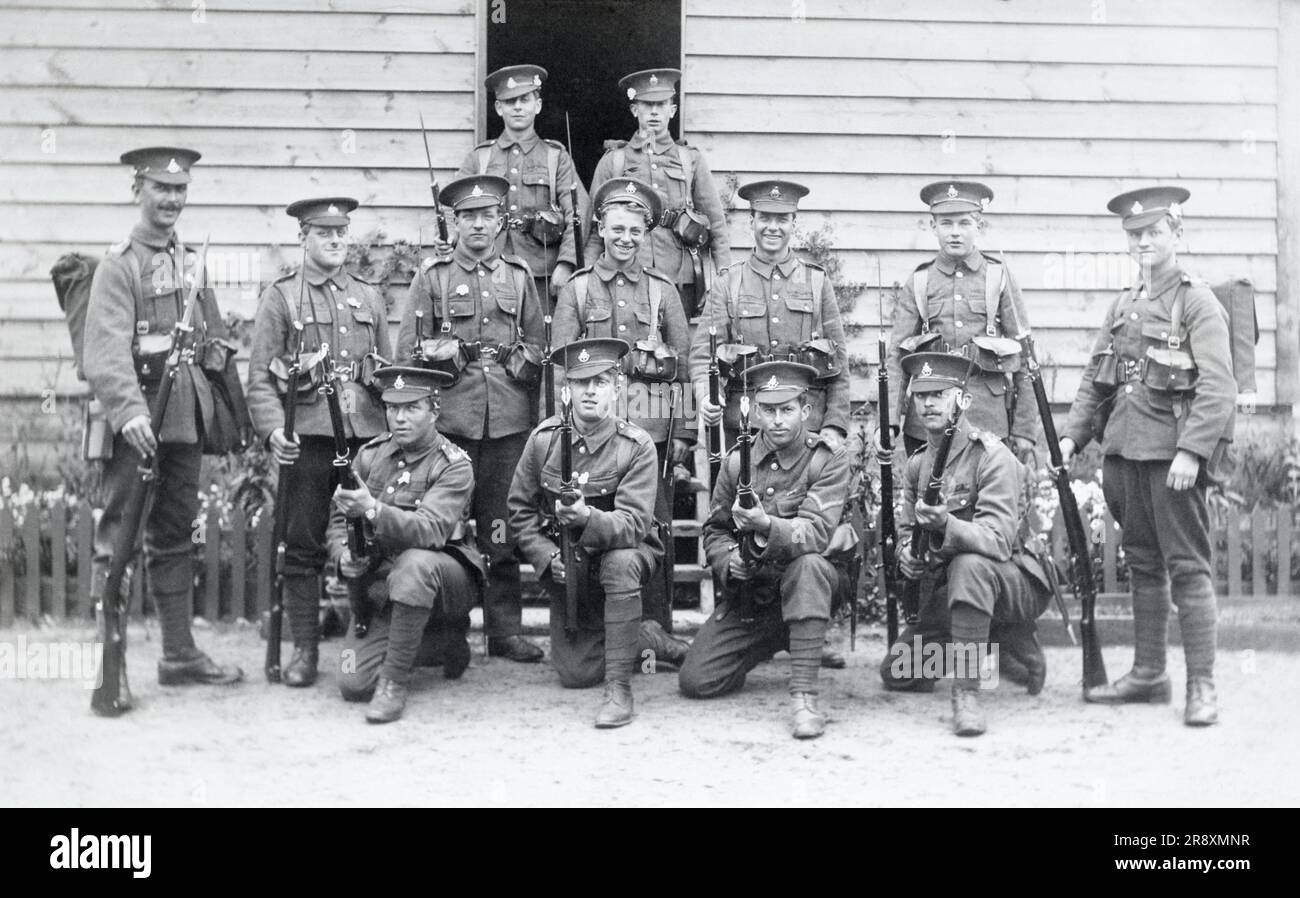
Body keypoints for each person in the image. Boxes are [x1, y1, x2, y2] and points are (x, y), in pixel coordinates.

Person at [1061, 186, 1235, 727]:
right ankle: (1149, 673)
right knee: (1142, 563)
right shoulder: (1123, 302)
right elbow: (1097, 378)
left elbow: (1219, 387)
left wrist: (1192, 452)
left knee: (1187, 566)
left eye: (1153, 232)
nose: (1143, 241)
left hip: (1172, 460)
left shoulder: (1195, 301)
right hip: (1124, 454)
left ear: (1176, 234)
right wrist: (1072, 437)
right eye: (1134, 234)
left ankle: (1202, 686)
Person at [82, 146, 243, 691]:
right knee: (119, 541)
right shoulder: (119, 264)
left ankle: (178, 655)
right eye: (161, 188)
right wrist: (128, 413)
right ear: (138, 190)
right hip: (137, 425)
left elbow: (213, 337)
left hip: (183, 422)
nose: (172, 198)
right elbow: (103, 353)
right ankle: (111, 668)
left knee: (174, 534)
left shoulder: (191, 262)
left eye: (180, 190)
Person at [691, 179, 852, 669]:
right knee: (741, 522)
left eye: (782, 220)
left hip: (807, 429)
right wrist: (705, 396)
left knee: (815, 531)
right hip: (751, 429)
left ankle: (814, 625)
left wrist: (837, 431)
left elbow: (839, 367)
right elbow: (703, 354)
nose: (773, 228)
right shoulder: (729, 283)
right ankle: (743, 611)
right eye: (765, 219)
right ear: (752, 223)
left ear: (793, 224)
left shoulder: (816, 283)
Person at [396, 174, 546, 663]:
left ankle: (503, 631)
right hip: (451, 424)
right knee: (447, 532)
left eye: (486, 216)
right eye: (468, 217)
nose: (478, 225)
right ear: (454, 223)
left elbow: (538, 351)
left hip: (506, 421)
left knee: (500, 529)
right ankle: (449, 630)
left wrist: (537, 421)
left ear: (501, 221)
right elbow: (406, 356)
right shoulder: (433, 277)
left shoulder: (519, 277)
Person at [246, 197, 392, 687]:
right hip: (307, 435)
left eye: (341, 233)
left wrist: (391, 434)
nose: (334, 241)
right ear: (303, 237)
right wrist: (272, 431)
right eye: (324, 233)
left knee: (365, 536)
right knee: (303, 543)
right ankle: (305, 651)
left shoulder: (369, 296)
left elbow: (387, 375)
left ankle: (365, 633)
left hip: (364, 436)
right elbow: (259, 380)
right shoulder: (282, 298)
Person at [553, 177, 692, 665]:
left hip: (650, 435)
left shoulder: (663, 292)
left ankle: (653, 631)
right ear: (601, 228)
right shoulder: (577, 289)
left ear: (647, 232)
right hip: (590, 435)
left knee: (652, 531)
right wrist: (562, 433)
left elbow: (685, 367)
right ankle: (597, 628)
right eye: (617, 229)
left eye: (635, 230)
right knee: (590, 531)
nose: (626, 239)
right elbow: (561, 368)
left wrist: (686, 436)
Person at [880, 352, 1053, 737]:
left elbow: (997, 540)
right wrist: (908, 554)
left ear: (963, 400)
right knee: (898, 672)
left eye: (939, 394)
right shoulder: (918, 465)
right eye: (921, 395)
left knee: (969, 565)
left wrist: (947, 526)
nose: (928, 403)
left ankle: (967, 692)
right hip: (961, 593)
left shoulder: (992, 457)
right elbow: (909, 530)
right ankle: (1003, 636)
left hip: (1014, 579)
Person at [679, 362, 849, 739]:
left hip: (812, 584)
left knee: (808, 566)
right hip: (755, 594)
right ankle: (780, 636)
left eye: (787, 410)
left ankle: (803, 697)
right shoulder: (737, 462)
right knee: (698, 681)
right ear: (755, 410)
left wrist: (766, 526)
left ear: (806, 410)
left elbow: (818, 532)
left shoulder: (827, 458)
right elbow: (716, 529)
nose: (776, 421)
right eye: (768, 410)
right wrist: (728, 559)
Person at [507, 338, 663, 728]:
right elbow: (519, 510)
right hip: (568, 566)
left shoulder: (637, 446)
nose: (590, 391)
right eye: (581, 383)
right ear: (567, 389)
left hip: (626, 554)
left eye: (600, 382)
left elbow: (633, 525)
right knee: (574, 674)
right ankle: (644, 639)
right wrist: (545, 555)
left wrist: (585, 517)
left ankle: (619, 687)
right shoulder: (543, 441)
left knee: (621, 562)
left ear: (617, 388)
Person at [329, 366, 484, 723]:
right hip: (386, 584)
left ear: (434, 410)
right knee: (352, 683)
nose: (399, 418)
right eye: (392, 408)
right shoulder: (369, 455)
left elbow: (429, 530)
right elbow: (338, 520)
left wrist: (371, 508)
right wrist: (343, 555)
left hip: (446, 576)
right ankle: (440, 644)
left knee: (415, 563)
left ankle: (394, 683)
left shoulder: (454, 465)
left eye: (411, 408)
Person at [886, 181, 1038, 459]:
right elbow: (896, 357)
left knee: (989, 499)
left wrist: (1025, 429)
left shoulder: (998, 277)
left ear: (979, 226)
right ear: (933, 227)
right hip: (927, 422)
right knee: (926, 497)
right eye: (946, 223)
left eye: (964, 223)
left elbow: (1026, 355)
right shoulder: (920, 280)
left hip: (987, 419)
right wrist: (888, 422)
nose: (955, 232)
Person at [585, 68, 731, 322]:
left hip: (681, 277)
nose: (654, 112)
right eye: (647, 104)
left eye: (661, 104)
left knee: (680, 349)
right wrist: (587, 277)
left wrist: (725, 277)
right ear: (634, 110)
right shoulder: (614, 162)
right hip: (626, 274)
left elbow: (716, 222)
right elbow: (593, 229)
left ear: (672, 111)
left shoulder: (690, 160)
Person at [457, 64, 588, 304]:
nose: (517, 107)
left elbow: (578, 213)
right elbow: (451, 205)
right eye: (509, 101)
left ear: (537, 105)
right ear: (498, 108)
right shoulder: (481, 157)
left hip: (542, 274)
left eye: (524, 99)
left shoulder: (555, 156)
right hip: (489, 267)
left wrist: (566, 263)